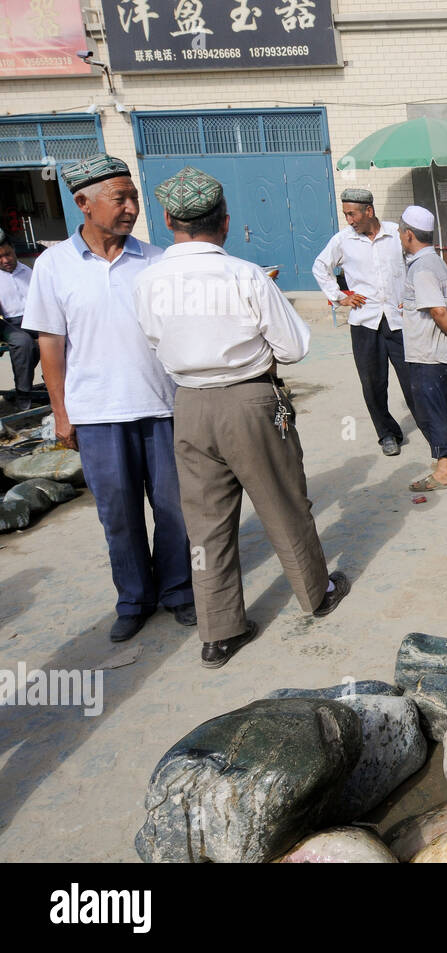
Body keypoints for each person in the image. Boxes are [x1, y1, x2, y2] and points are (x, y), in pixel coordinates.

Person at [133, 167, 351, 668]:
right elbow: (293, 347)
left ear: (168, 220)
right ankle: (315, 595)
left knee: (205, 525)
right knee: (282, 503)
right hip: (249, 402)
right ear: (225, 222)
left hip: (188, 405)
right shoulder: (244, 275)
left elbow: (152, 343)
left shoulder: (148, 282)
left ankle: (219, 632)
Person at [23, 154, 195, 643]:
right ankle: (134, 599)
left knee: (174, 509)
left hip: (162, 407)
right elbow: (50, 344)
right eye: (119, 197)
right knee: (118, 515)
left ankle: (179, 591)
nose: (131, 207)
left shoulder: (158, 261)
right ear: (83, 203)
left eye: (134, 196)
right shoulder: (54, 267)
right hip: (97, 413)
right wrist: (61, 413)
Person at [312, 187, 413, 457]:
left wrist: (412, 296)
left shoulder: (395, 233)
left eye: (352, 214)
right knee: (373, 383)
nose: (349, 220)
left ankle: (430, 426)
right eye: (346, 215)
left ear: (369, 211)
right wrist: (339, 297)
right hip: (365, 323)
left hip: (399, 320)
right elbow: (320, 267)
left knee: (412, 378)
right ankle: (387, 433)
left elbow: (417, 261)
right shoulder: (343, 240)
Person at [398, 205, 447, 492]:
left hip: (429, 353)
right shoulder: (439, 263)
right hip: (444, 354)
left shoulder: (422, 268)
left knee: (434, 410)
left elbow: (440, 312)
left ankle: (444, 471)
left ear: (408, 235)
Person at [0, 234, 39, 410]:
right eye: (0, 257)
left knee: (58, 337)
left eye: (8, 254)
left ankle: (59, 385)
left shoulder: (29, 272)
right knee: (23, 343)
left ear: (14, 251)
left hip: (32, 319)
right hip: (7, 323)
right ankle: (23, 397)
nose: (5, 260)